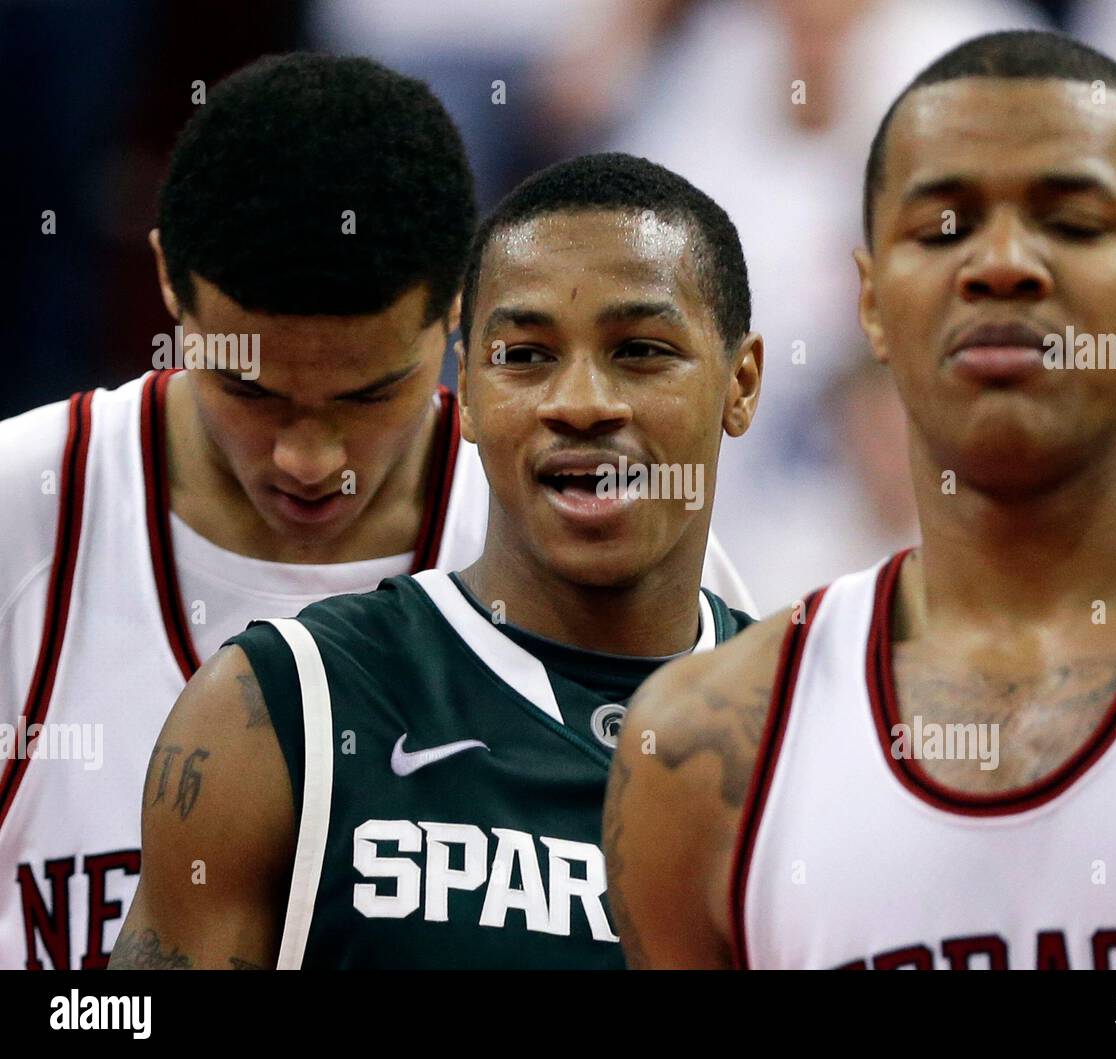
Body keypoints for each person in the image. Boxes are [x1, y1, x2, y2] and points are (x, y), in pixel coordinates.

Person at [0, 54, 750, 971]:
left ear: (456, 324)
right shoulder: (23, 504)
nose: (307, 459)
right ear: (167, 284)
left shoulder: (599, 521)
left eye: (367, 394)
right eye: (249, 389)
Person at [604, 30, 1116, 970]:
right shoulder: (700, 747)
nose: (1002, 263)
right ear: (871, 305)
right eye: (943, 228)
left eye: (1075, 222)